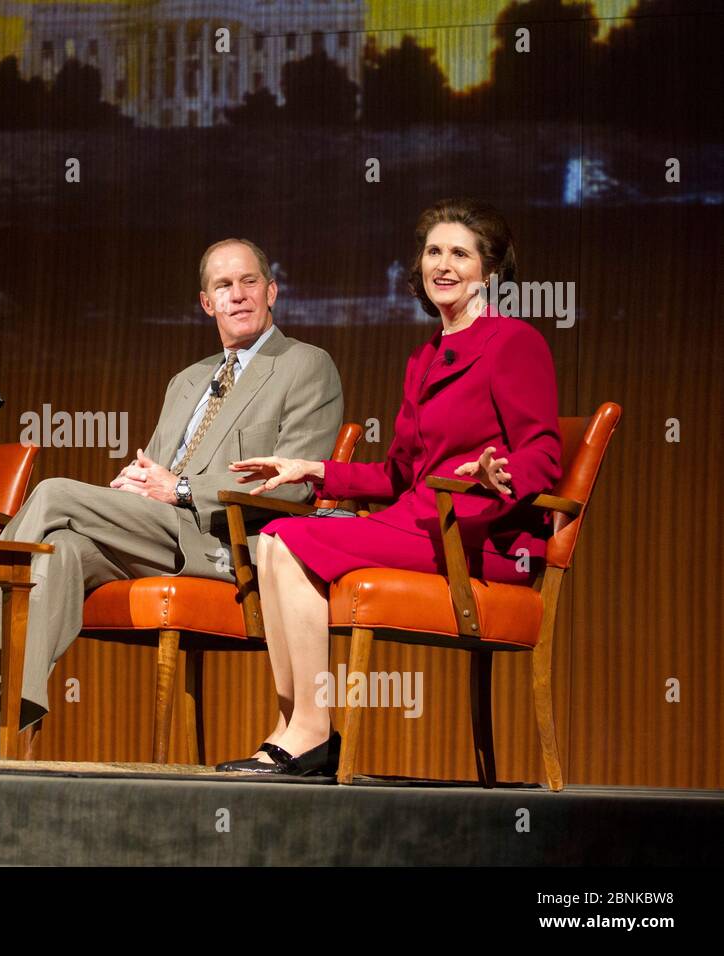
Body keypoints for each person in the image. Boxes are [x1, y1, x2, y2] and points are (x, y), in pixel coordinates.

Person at [0, 238, 344, 759]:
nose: (238, 295)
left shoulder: (305, 365)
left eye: (249, 282)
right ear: (207, 303)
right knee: (61, 548)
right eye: (224, 286)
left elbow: (294, 484)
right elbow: (152, 467)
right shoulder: (188, 381)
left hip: (229, 547)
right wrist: (133, 484)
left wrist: (176, 488)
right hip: (156, 532)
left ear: (271, 292)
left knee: (54, 494)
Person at [221, 199, 562, 776]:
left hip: (481, 539)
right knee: (274, 539)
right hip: (416, 520)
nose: (443, 265)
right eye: (434, 252)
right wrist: (314, 471)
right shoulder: (425, 357)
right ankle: (295, 723)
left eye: (460, 253)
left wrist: (495, 476)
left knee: (294, 540)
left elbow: (546, 456)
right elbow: (401, 476)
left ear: (489, 271)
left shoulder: (512, 342)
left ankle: (310, 730)